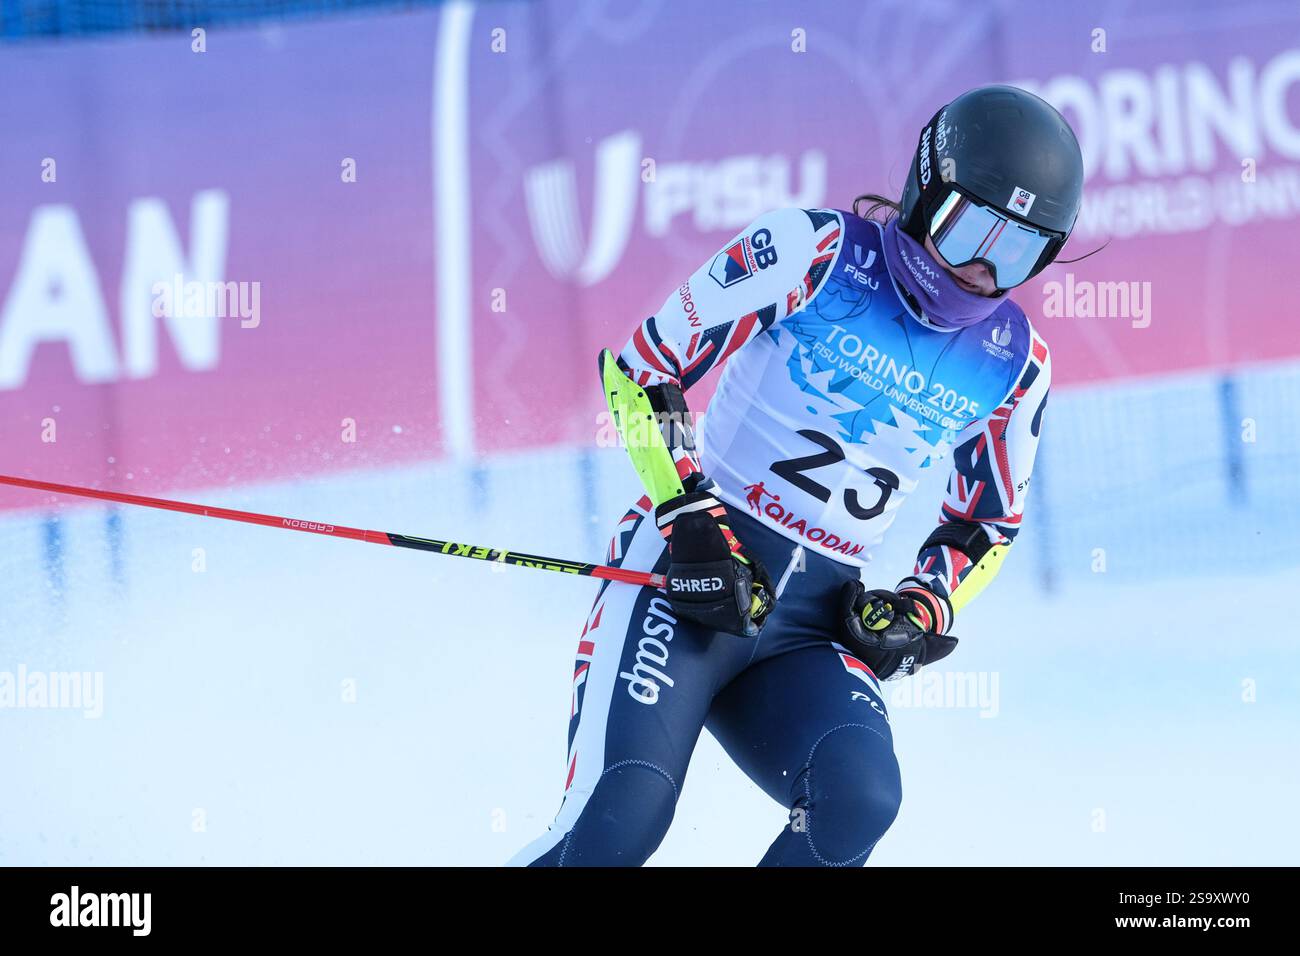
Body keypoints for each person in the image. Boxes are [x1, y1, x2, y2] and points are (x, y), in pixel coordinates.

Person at [510, 84, 1085, 866]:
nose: (983, 269)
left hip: (811, 625)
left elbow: (985, 523)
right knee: (619, 822)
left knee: (858, 802)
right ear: (925, 192)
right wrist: (688, 516)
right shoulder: (816, 252)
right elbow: (645, 373)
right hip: (691, 585)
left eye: (1017, 249)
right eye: (967, 233)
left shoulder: (1015, 365)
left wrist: (924, 602)